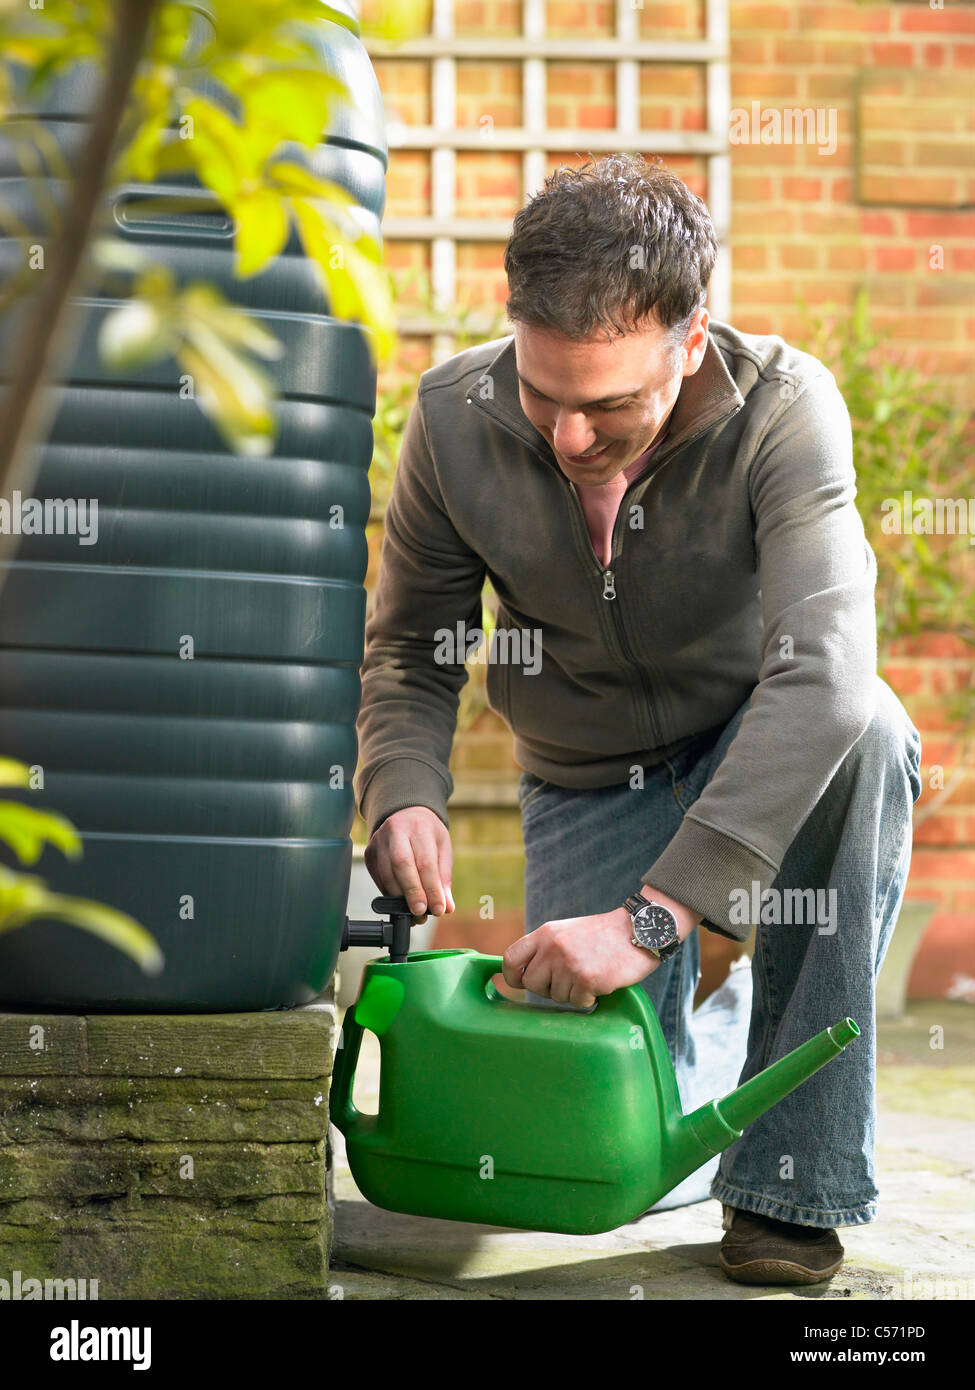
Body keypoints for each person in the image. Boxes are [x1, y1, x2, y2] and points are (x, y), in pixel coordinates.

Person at [355, 153, 922, 1286]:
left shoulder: (783, 411)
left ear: (690, 342)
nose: (568, 435)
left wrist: (654, 920)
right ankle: (714, 1037)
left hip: (754, 745)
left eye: (608, 403)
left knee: (867, 731)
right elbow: (414, 647)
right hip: (586, 771)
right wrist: (403, 789)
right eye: (543, 393)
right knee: (605, 1144)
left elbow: (824, 672)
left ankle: (790, 1191)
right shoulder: (454, 422)